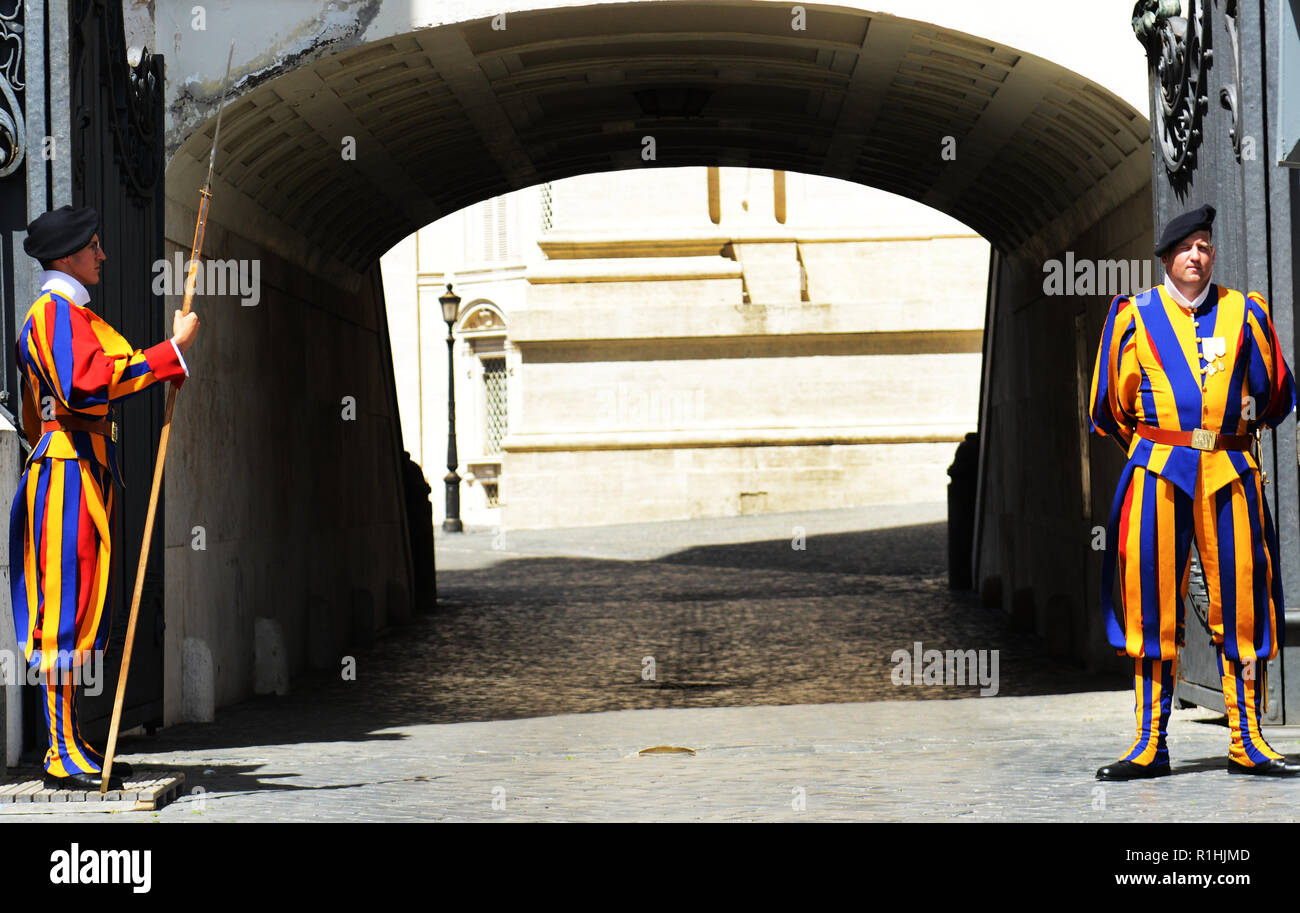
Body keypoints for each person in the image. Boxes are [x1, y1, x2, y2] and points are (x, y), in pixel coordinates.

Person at [1089, 204, 1299, 779]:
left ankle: (1246, 740)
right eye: (1186, 247)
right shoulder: (1133, 315)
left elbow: (1276, 392)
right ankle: (1149, 744)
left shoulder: (1244, 311)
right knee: (1150, 603)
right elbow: (1108, 408)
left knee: (1244, 603)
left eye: (1205, 245)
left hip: (1230, 470)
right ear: (1165, 257)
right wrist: (1161, 442)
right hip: (1159, 470)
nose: (1196, 255)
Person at [8, 205, 199, 790]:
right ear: (67, 256)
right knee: (61, 614)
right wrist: (170, 353)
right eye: (94, 247)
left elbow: (101, 371)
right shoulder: (53, 315)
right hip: (65, 475)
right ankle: (59, 753)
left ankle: (71, 742)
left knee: (81, 607)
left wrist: (163, 358)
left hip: (82, 472)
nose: (103, 255)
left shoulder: (70, 316)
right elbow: (86, 387)